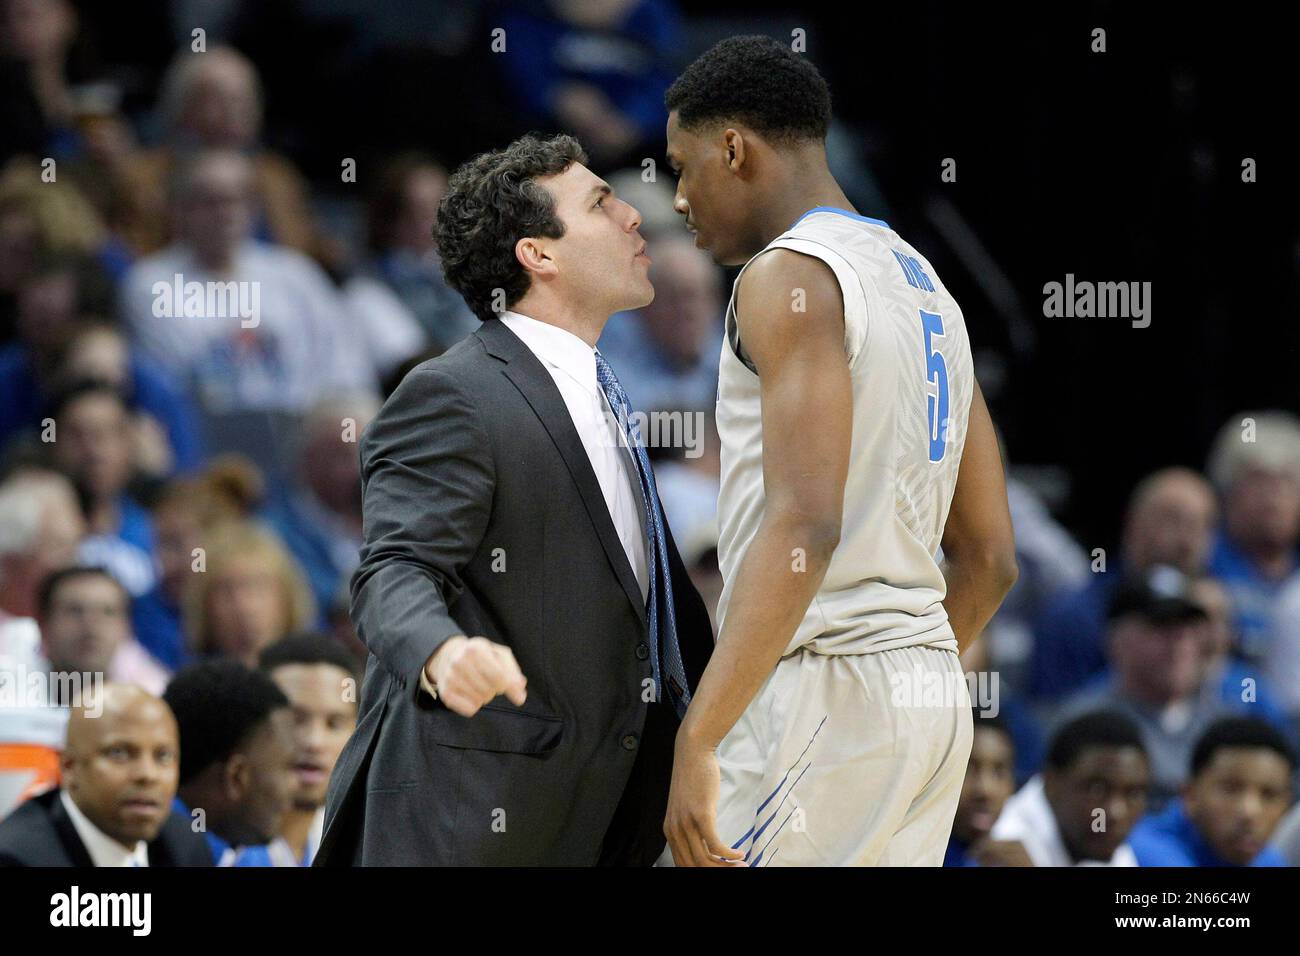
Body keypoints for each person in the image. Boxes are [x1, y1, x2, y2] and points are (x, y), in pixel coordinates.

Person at [660, 35, 1017, 867]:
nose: (678, 198)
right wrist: (904, 675)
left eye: (683, 167)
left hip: (818, 685)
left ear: (734, 148)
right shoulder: (927, 284)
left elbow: (804, 528)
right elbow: (992, 557)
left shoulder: (786, 274)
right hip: (932, 695)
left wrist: (701, 737)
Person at [316, 132, 714, 866]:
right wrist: (442, 650)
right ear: (539, 253)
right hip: (465, 821)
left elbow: (653, 616)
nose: (634, 217)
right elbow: (392, 569)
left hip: (592, 821)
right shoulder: (455, 392)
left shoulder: (606, 391)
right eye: (601, 203)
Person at [0, 683, 212, 866]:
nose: (148, 774)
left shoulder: (185, 844)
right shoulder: (16, 858)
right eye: (119, 753)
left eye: (163, 756)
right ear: (68, 767)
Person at [163, 659, 297, 866]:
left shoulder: (253, 855)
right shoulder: (145, 854)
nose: (296, 787)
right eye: (288, 768)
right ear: (236, 777)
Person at [990, 710, 1150, 866]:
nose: (1116, 812)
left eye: (1133, 794)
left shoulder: (1104, 839)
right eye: (1097, 790)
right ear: (1051, 783)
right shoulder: (1003, 840)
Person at [1129, 717, 1293, 867]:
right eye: (1231, 789)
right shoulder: (1143, 852)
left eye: (1269, 795)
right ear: (1190, 795)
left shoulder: (1269, 861)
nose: (1249, 811)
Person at [259, 634, 358, 866]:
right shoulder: (203, 843)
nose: (314, 742)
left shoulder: (365, 844)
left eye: (334, 723)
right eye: (295, 719)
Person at [38, 565, 169, 696]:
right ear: (44, 624)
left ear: (126, 627)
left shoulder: (155, 696)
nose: (91, 625)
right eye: (75, 611)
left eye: (107, 612)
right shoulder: (20, 691)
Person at [944, 711, 1021, 867]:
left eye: (999, 771)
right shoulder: (912, 852)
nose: (986, 790)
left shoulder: (1017, 858)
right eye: (968, 768)